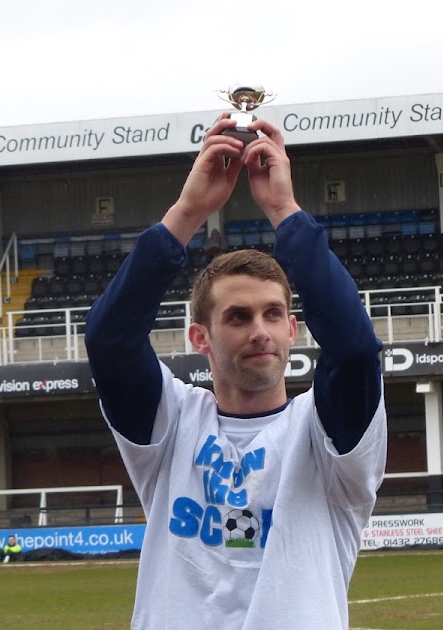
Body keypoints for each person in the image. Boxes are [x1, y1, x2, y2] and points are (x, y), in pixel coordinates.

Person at [84, 115, 386, 629]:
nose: (260, 332)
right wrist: (188, 212)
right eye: (238, 317)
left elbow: (356, 350)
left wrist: (284, 211)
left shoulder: (324, 432)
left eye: (273, 314)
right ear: (199, 337)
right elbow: (109, 339)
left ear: (293, 330)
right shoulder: (170, 423)